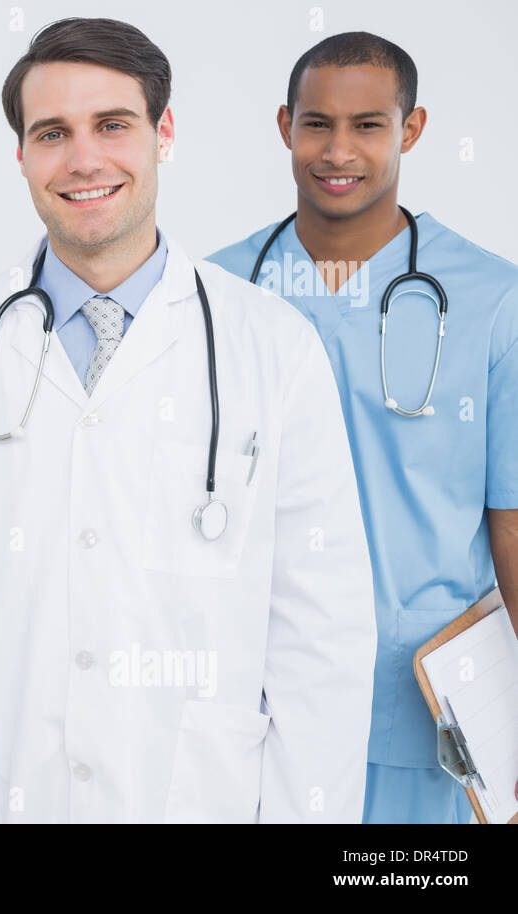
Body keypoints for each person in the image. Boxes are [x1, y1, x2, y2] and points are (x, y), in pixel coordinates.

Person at [0, 17, 377, 823]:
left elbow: (324, 635)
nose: (84, 159)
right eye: (52, 133)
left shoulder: (273, 346)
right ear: (22, 156)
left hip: (194, 796)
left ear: (163, 133)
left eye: (112, 125)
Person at [208, 32, 518, 825]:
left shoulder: (493, 300)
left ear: (409, 130)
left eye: (369, 125)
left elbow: (511, 522)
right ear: (285, 126)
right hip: (252, 698)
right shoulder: (215, 295)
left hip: (421, 705)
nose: (338, 150)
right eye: (317, 124)